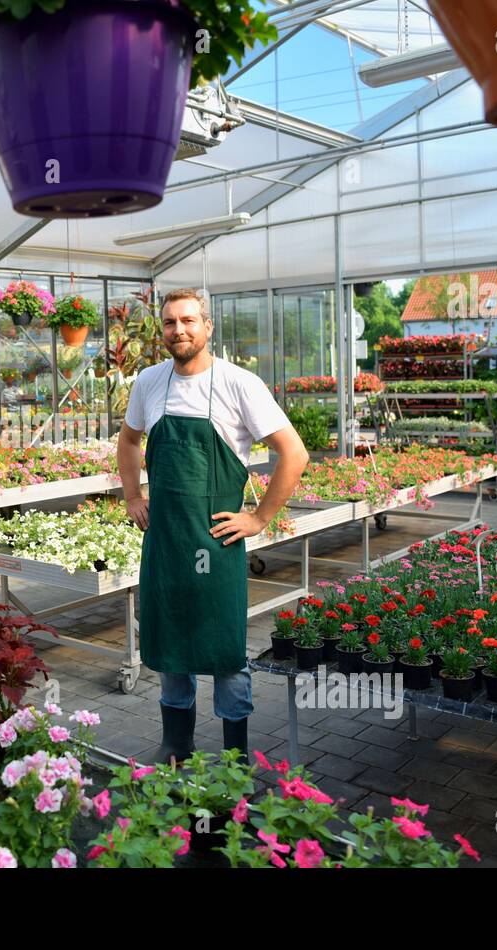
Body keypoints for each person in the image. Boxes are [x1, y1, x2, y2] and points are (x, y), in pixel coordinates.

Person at [116, 288, 309, 764]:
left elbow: (295, 453)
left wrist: (259, 517)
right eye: (169, 323)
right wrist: (134, 495)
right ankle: (176, 743)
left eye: (187, 321)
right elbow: (128, 440)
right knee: (168, 638)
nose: (178, 330)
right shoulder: (148, 382)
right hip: (165, 540)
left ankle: (235, 754)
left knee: (224, 648)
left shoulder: (239, 384)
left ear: (207, 327)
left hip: (216, 542)